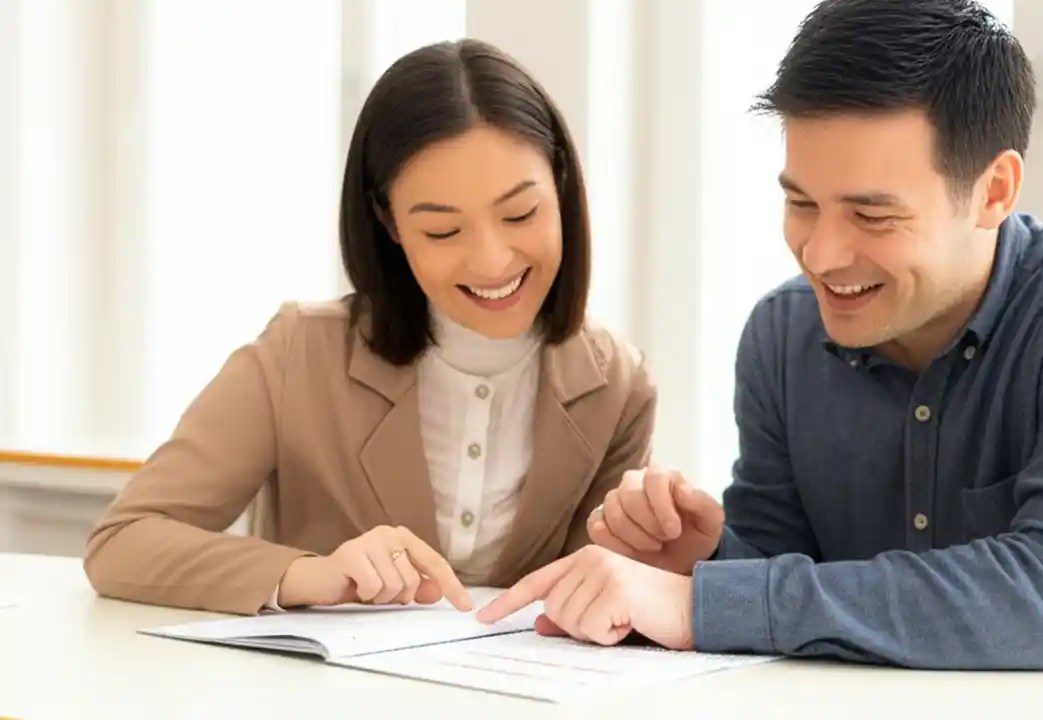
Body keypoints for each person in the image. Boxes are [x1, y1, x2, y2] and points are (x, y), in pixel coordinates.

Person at [477, 1, 1043, 717]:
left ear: (994, 191)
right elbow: (793, 592)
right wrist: (706, 559)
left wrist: (701, 605)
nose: (821, 252)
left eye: (872, 213)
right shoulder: (783, 337)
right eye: (801, 203)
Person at [84, 39, 656, 616]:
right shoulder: (298, 355)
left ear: (559, 186)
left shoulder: (617, 387)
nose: (491, 261)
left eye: (519, 215)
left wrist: (668, 549)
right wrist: (311, 575)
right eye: (442, 232)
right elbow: (124, 541)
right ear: (389, 222)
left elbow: (602, 594)